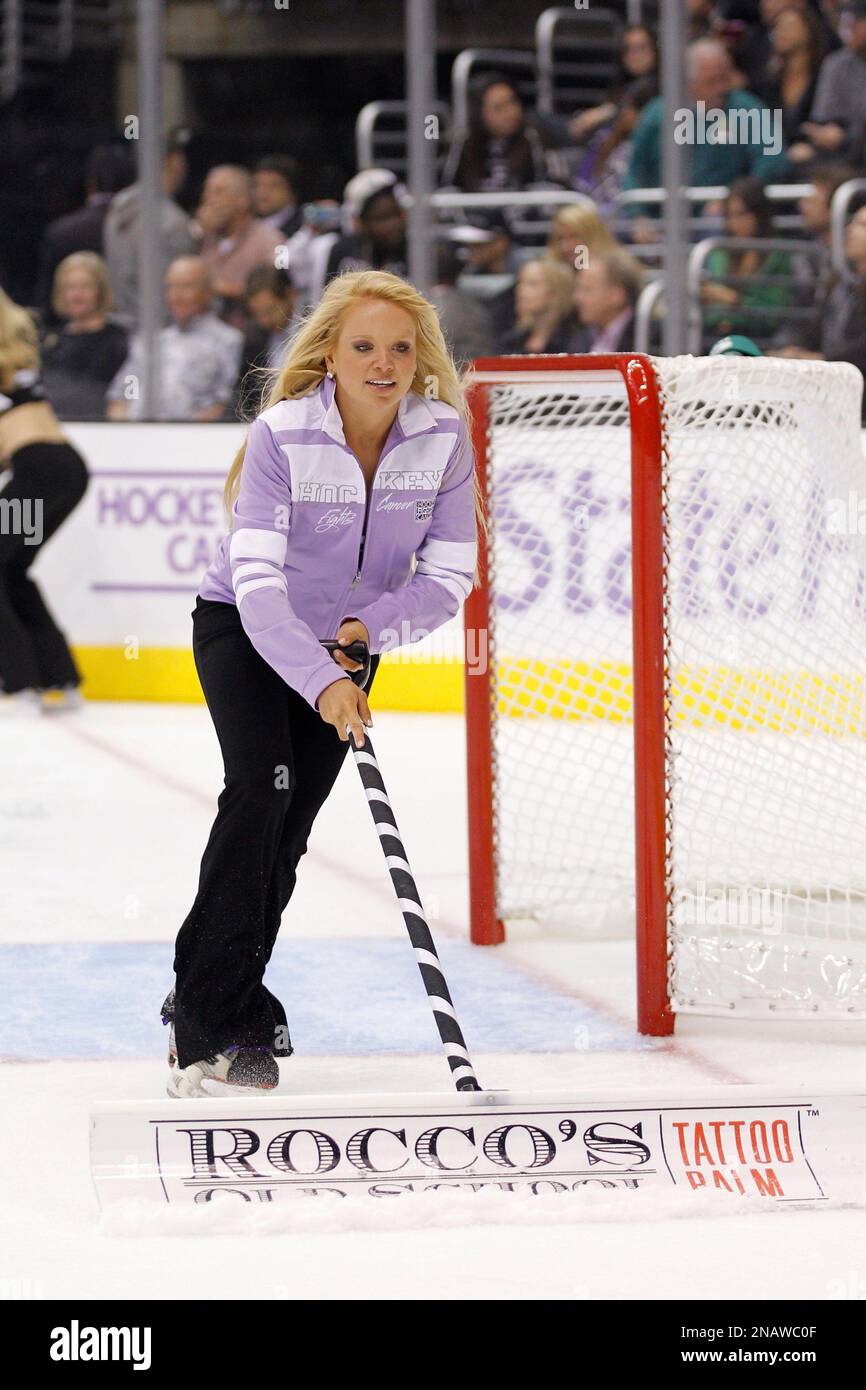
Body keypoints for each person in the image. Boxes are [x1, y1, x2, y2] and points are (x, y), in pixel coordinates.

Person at [161, 269, 483, 1096]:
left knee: (291, 828)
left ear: (421, 359)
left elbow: (449, 578)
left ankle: (225, 989)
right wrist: (320, 680)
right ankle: (207, 1020)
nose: (385, 363)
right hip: (244, 628)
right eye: (364, 346)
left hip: (347, 644)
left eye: (402, 348)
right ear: (330, 355)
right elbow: (260, 587)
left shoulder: (443, 435)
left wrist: (370, 632)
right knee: (259, 794)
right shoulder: (285, 435)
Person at [0, 288, 89, 712]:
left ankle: (21, 683)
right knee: (11, 568)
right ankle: (60, 677)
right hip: (64, 468)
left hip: (40, 472)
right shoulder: (18, 364)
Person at [624, 38, 790, 241]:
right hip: (663, 217)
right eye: (711, 81)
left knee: (716, 227)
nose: (721, 88)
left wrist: (733, 200)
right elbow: (634, 169)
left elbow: (773, 161)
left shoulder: (746, 109)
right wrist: (637, 215)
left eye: (724, 79)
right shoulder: (657, 114)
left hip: (722, 217)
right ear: (689, 84)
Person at [106, 256, 242, 422]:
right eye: (170, 287)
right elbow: (120, 396)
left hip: (195, 437)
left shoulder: (228, 341)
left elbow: (224, 403)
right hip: (139, 433)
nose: (176, 296)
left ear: (207, 293)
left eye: (186, 287)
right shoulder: (150, 342)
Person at [102, 126, 195, 330]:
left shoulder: (117, 207)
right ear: (173, 161)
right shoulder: (172, 221)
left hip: (120, 327)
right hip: (158, 335)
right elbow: (174, 293)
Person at [700, 177, 794, 342]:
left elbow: (774, 316)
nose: (733, 223)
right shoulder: (719, 253)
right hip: (714, 336)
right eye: (728, 216)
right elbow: (710, 314)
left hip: (758, 339)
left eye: (741, 214)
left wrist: (733, 300)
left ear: (759, 213)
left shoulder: (778, 255)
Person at [193, 165, 285, 329]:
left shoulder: (271, 239)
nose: (208, 199)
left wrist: (226, 289)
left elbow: (280, 282)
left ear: (243, 200)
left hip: (252, 334)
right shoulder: (202, 237)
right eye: (206, 191)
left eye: (218, 192)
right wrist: (197, 232)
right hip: (203, 335)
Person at [40, 253, 128, 421]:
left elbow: (132, 387)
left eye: (85, 287)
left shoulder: (119, 341)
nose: (76, 295)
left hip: (98, 426)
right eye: (70, 287)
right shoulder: (50, 340)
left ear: (100, 291)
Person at [795, 0, 866, 165]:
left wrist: (846, 138)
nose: (851, 28)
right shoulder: (836, 64)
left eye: (858, 21)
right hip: (843, 155)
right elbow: (824, 119)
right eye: (848, 22)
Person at [325, 169, 408, 284]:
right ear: (360, 221)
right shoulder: (344, 252)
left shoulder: (420, 250)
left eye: (397, 214)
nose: (394, 224)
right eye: (382, 218)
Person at [236, 265, 298, 417]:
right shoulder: (254, 340)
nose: (264, 321)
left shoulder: (316, 331)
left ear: (290, 295)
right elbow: (246, 394)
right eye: (257, 314)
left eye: (270, 310)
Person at [568, 249, 645, 352]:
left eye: (587, 289)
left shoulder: (650, 337)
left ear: (617, 295)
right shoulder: (578, 336)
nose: (577, 298)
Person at [498, 258, 578, 353]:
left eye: (532, 284)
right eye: (520, 282)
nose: (520, 289)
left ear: (555, 293)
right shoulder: (511, 341)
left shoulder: (574, 340)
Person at [252, 155, 304, 240]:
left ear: (292, 191)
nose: (262, 194)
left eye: (273, 186)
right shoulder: (245, 227)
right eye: (257, 185)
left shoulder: (305, 228)